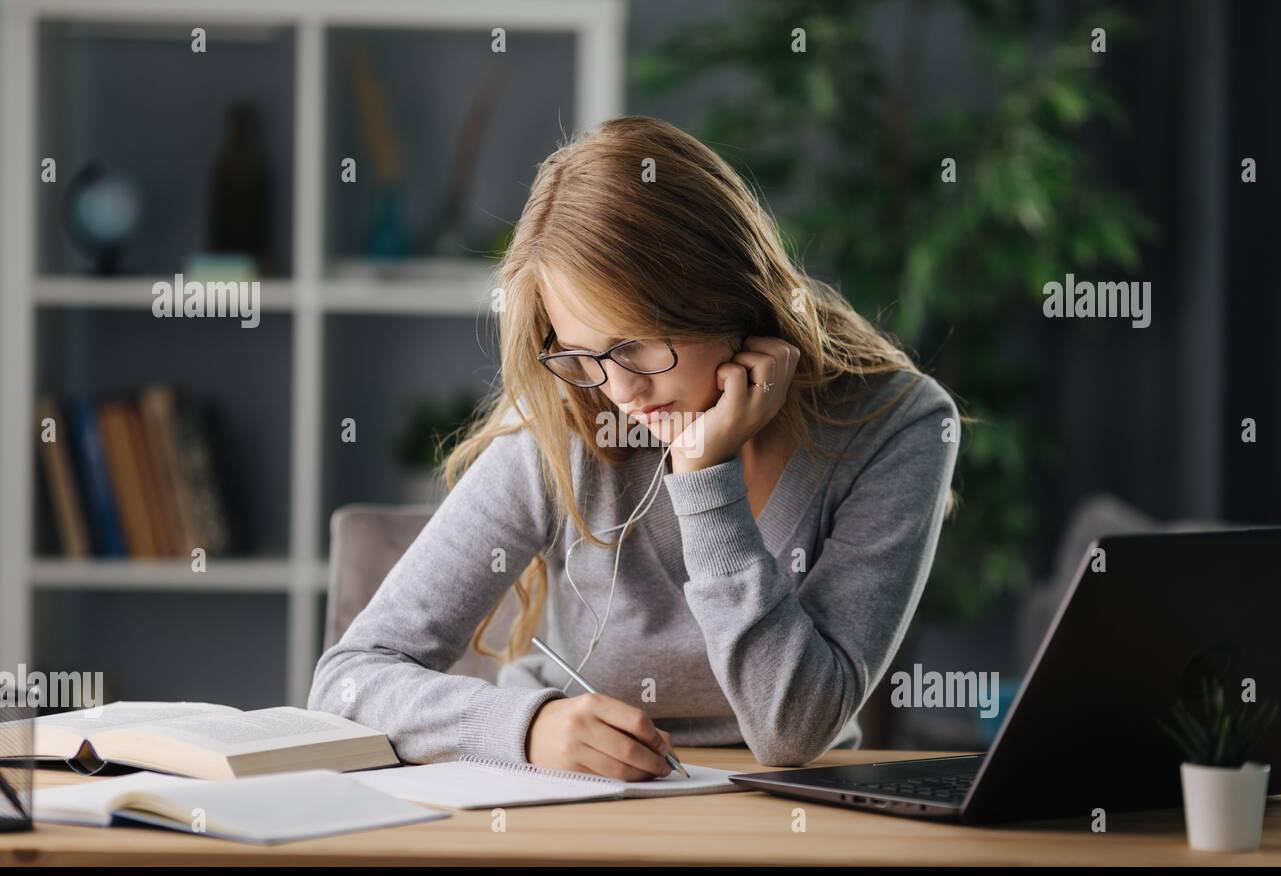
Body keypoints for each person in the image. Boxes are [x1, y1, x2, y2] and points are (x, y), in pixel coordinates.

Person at [308, 115, 960, 779]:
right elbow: (349, 680)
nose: (620, 389)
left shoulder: (898, 425)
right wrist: (527, 728)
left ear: (729, 293)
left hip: (785, 812)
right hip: (573, 800)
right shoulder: (566, 418)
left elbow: (791, 732)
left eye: (638, 343)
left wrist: (705, 477)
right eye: (584, 353)